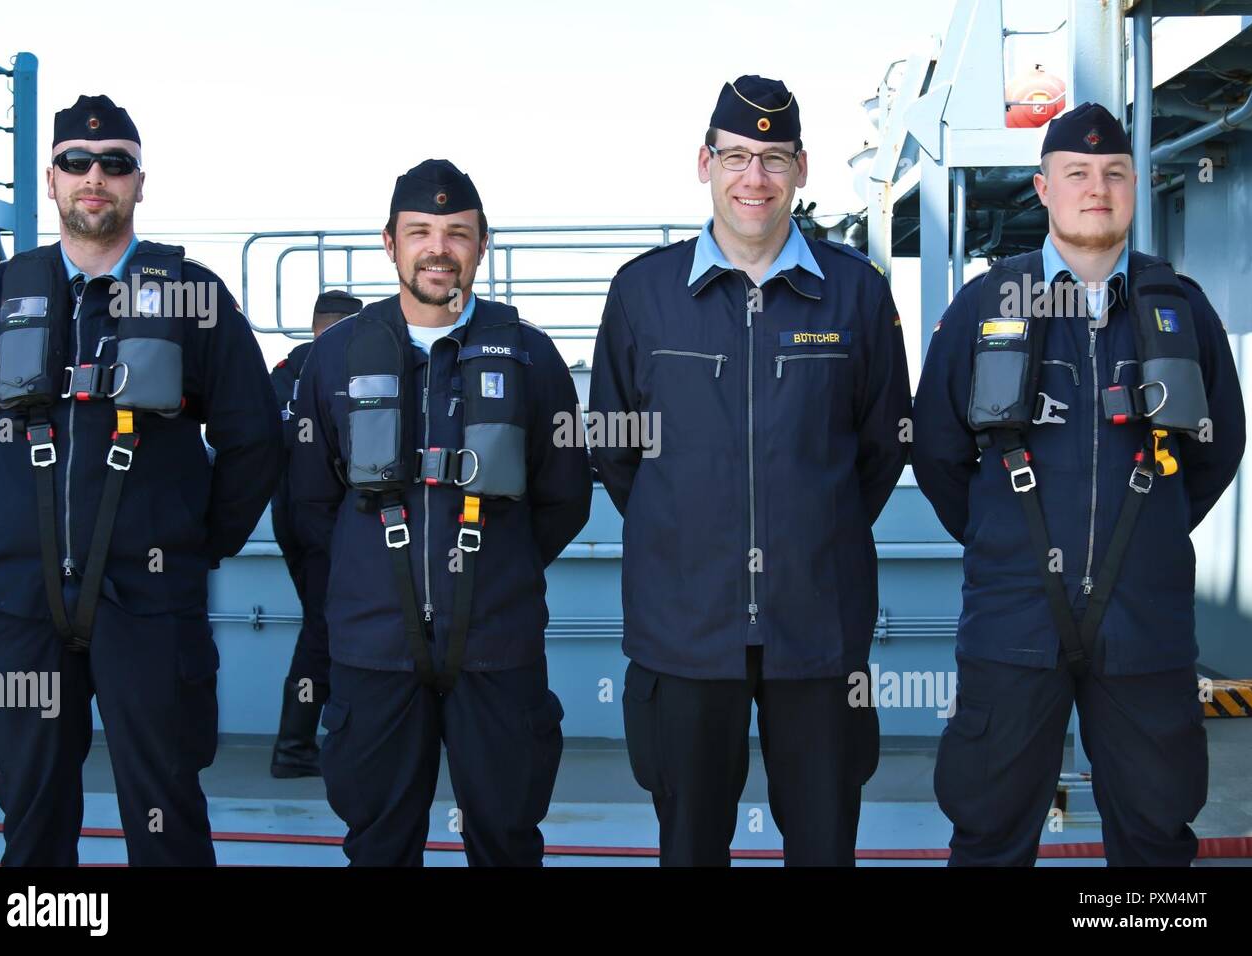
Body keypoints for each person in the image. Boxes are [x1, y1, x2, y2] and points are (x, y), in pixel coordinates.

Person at [912, 102, 1246, 866]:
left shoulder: (1181, 310)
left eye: (1113, 173)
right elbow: (936, 451)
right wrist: (1006, 541)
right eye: (1077, 174)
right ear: (1043, 188)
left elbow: (1217, 446)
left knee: (1157, 836)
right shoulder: (986, 305)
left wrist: (1153, 537)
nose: (1097, 188)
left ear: (1135, 185)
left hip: (1146, 626)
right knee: (990, 830)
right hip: (1013, 622)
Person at [589, 76, 912, 866]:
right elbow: (615, 448)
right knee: (692, 846)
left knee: (826, 845)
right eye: (736, 156)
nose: (754, 179)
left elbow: (880, 450)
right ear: (704, 163)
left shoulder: (858, 295)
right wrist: (693, 532)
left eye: (773, 158)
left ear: (802, 168)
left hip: (819, 630)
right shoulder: (642, 294)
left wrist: (808, 529)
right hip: (686, 630)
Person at [0, 94, 282, 865]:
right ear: (51, 180)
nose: (93, 176)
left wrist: (191, 540)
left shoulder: (193, 298)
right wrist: (3, 527)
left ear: (140, 182)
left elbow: (255, 438)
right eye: (76, 161)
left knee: (165, 804)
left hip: (150, 600)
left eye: (115, 163)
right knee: (29, 815)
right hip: (18, 605)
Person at [289, 159, 592, 865]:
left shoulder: (531, 357)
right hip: (373, 651)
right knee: (379, 844)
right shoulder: (333, 359)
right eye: (420, 230)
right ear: (389, 243)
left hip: (497, 645)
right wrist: (364, 590)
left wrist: (495, 574)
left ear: (482, 245)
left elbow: (564, 497)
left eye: (458, 233)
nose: (438, 247)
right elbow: (307, 506)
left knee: (508, 839)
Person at [268, 289, 362, 778]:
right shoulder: (350, 367)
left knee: (321, 624)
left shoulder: (284, 372)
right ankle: (296, 745)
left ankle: (308, 740)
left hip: (290, 517)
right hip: (332, 518)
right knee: (329, 629)